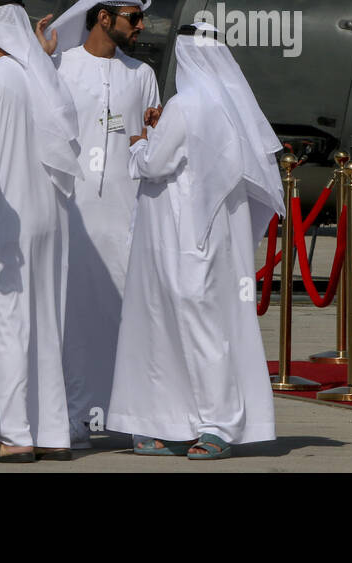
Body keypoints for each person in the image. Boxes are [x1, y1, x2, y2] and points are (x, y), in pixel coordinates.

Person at [107, 22, 282, 459]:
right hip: (203, 236)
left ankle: (217, 426)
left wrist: (137, 142)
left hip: (180, 237)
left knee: (189, 323)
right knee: (178, 323)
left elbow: (154, 163)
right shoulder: (227, 106)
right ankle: (173, 423)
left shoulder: (186, 106)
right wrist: (162, 124)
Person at [43, 0, 161, 446]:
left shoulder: (142, 75)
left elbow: (151, 145)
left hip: (127, 217)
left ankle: (131, 418)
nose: (141, 28)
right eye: (134, 19)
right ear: (104, 17)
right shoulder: (60, 67)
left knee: (128, 318)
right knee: (72, 319)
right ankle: (72, 417)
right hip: (73, 216)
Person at [0, 0, 81, 462]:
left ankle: (12, 433)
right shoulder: (44, 77)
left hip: (2, 215)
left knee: (5, 323)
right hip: (50, 216)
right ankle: (51, 429)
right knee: (45, 323)